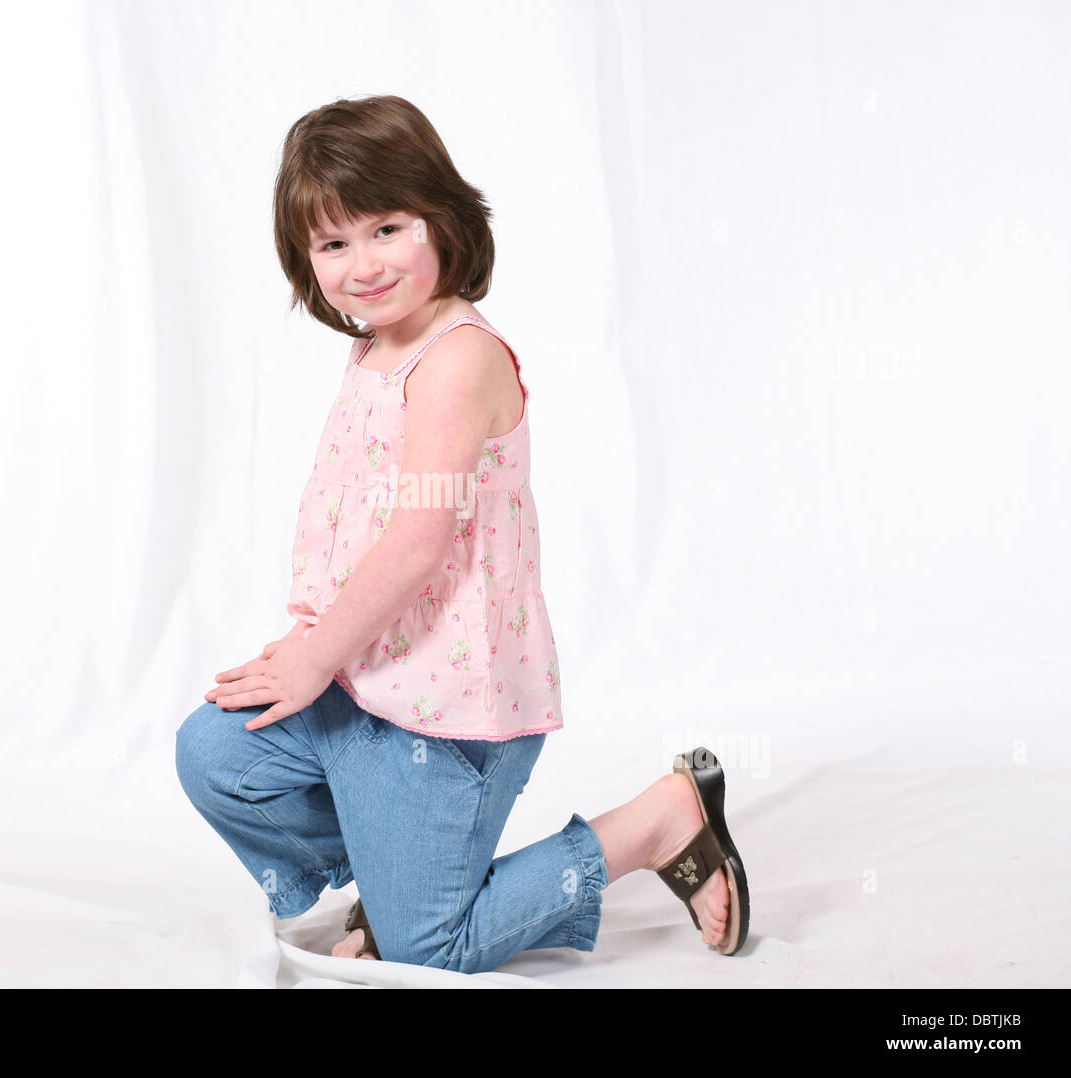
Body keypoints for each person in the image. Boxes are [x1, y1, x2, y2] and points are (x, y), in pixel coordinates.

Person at [175, 94, 749, 973]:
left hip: (446, 709)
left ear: (440, 220)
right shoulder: (376, 346)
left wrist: (313, 655)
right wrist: (321, 654)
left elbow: (418, 539)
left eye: (387, 229)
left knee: (425, 949)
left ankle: (659, 821)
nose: (362, 265)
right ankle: (400, 865)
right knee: (216, 753)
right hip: (365, 680)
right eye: (333, 244)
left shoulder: (457, 359)